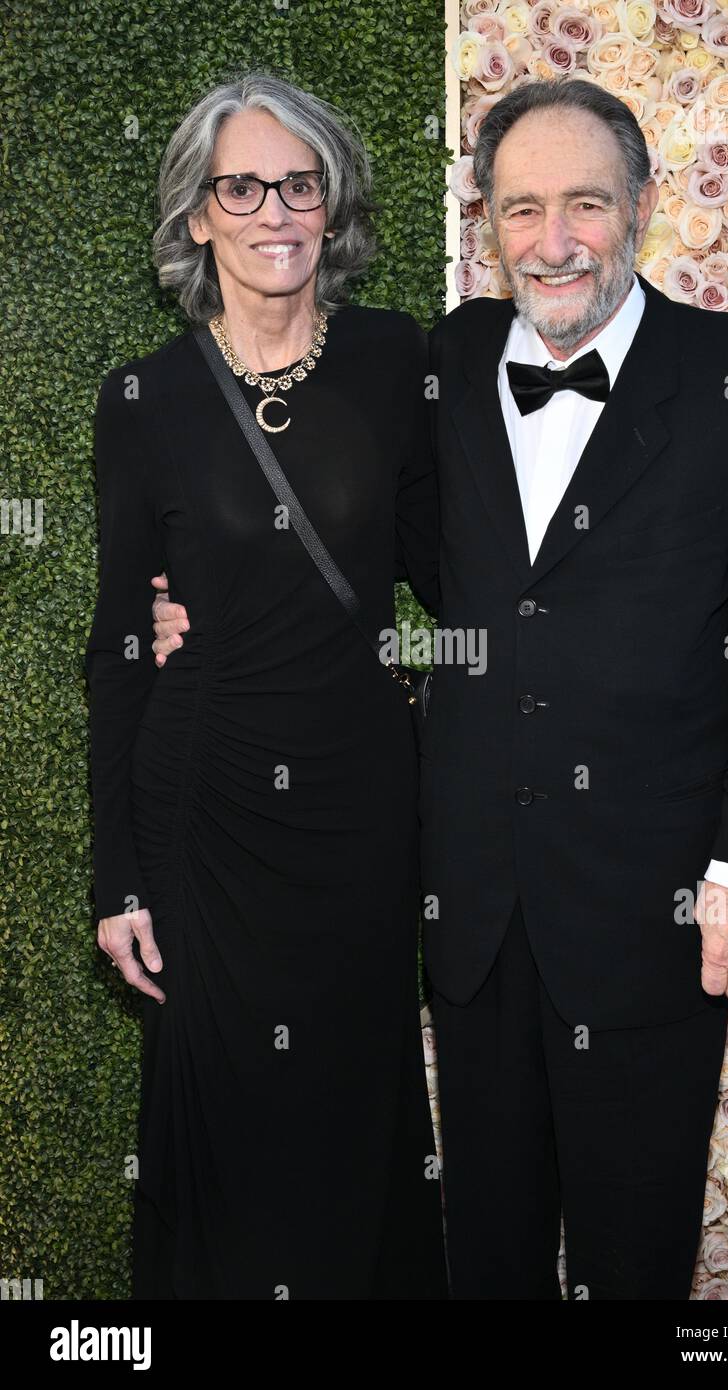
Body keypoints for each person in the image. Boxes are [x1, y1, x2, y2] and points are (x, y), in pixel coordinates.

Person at [155, 78, 728, 1301]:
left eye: (583, 203)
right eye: (520, 209)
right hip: (467, 905)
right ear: (485, 221)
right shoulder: (449, 358)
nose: (553, 239)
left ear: (638, 206)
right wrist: (199, 610)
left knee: (635, 1260)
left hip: (657, 909)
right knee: (490, 1254)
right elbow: (366, 547)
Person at [85, 70, 445, 1300]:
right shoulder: (144, 398)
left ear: (329, 202)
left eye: (298, 183)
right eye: (240, 185)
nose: (272, 210)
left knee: (355, 1101)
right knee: (223, 1109)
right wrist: (116, 871)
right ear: (198, 215)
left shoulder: (401, 358)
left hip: (356, 806)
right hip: (205, 806)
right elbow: (116, 645)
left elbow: (460, 569)